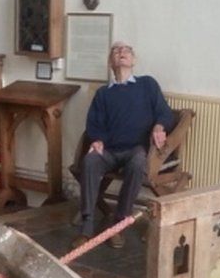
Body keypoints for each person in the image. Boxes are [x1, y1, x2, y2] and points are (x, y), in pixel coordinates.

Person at [74, 41, 173, 249]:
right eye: (116, 51)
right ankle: (86, 227)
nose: (121, 53)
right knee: (90, 160)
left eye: (126, 50)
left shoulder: (147, 85)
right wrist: (97, 140)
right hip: (109, 151)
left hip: (135, 149)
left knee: (138, 162)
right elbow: (93, 124)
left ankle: (119, 225)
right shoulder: (103, 93)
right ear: (111, 61)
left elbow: (165, 112)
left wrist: (159, 126)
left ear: (133, 60)